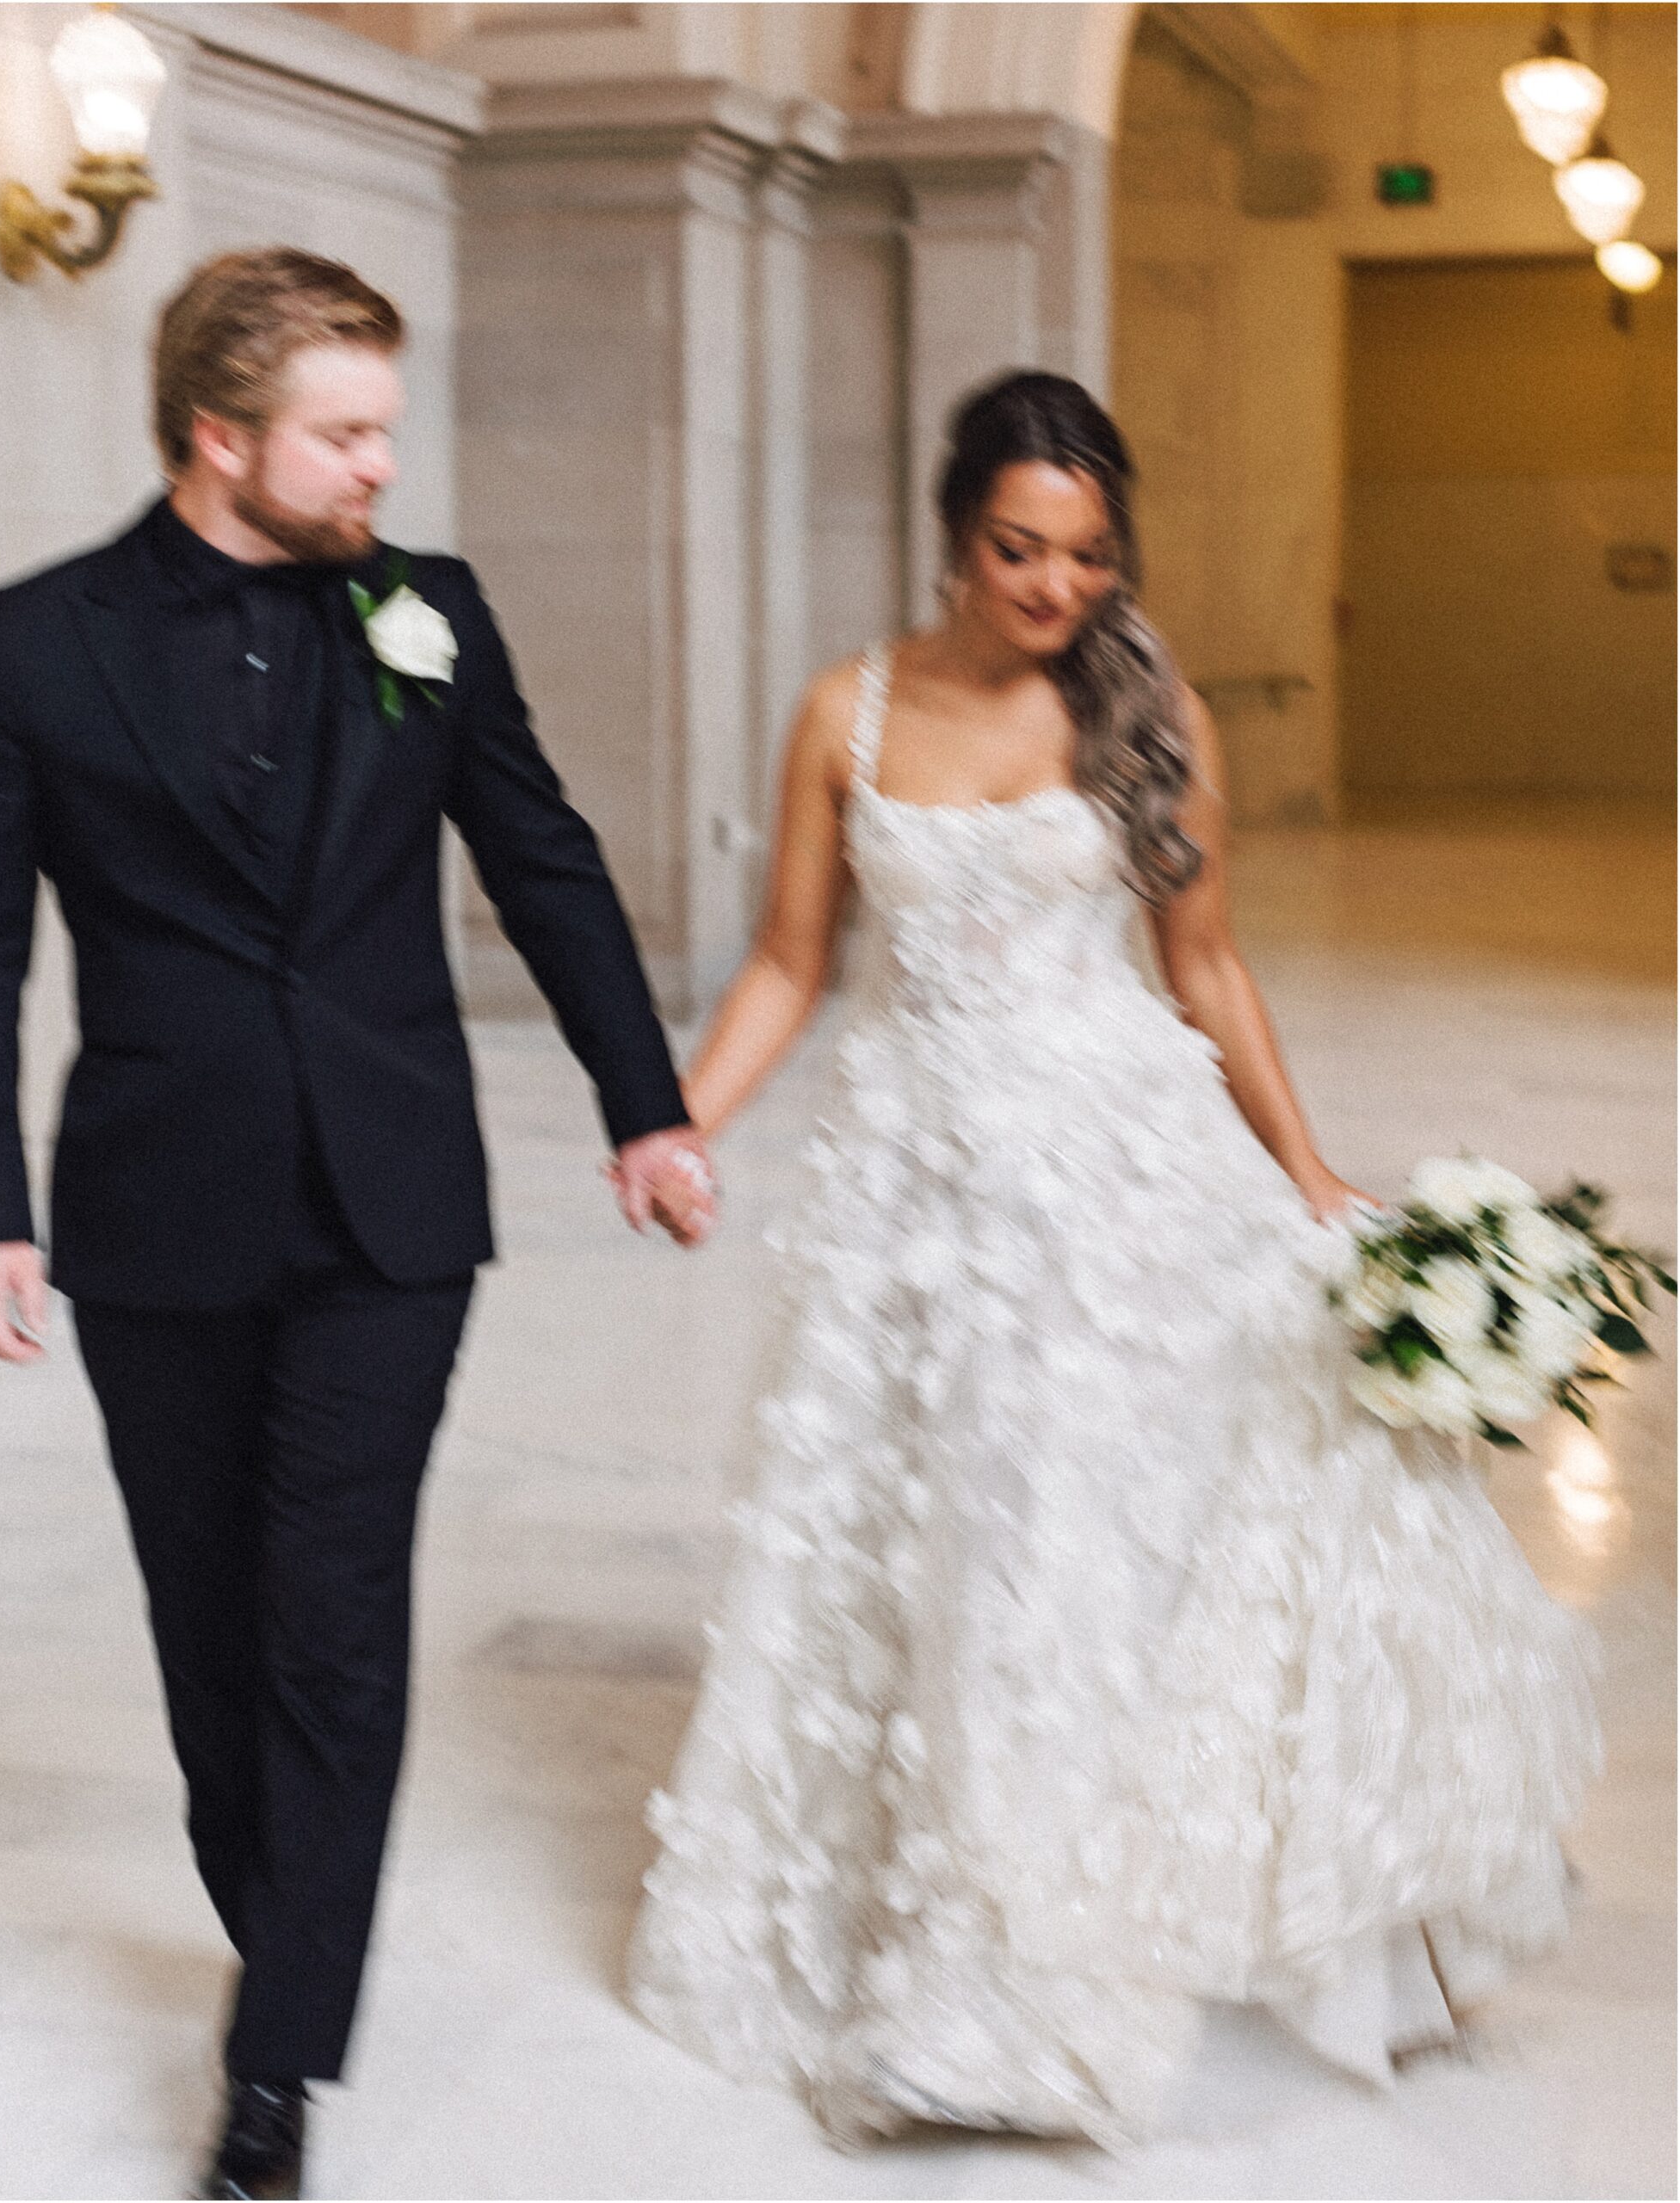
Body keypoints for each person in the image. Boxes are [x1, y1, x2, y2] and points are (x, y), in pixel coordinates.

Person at [626, 371, 1598, 2151]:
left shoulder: (1150, 708)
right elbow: (786, 958)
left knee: (1080, 1552)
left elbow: (1205, 964)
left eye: (1083, 552)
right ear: (950, 536)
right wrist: (674, 1116)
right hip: (917, 1207)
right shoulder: (842, 713)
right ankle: (952, 1955)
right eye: (1016, 547)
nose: (1052, 585)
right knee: (939, 1558)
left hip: (1123, 1183)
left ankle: (1061, 1957)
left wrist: (1304, 1171)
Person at [0, 247, 715, 2201]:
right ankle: (279, 1919)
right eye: (347, 432)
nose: (385, 464)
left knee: (332, 1616)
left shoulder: (429, 613)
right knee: (211, 1626)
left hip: (392, 1204)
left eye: (387, 426)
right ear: (225, 437)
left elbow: (542, 858)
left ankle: (277, 2061)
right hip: (156, 1210)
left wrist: (645, 1103)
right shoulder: (27, 646)